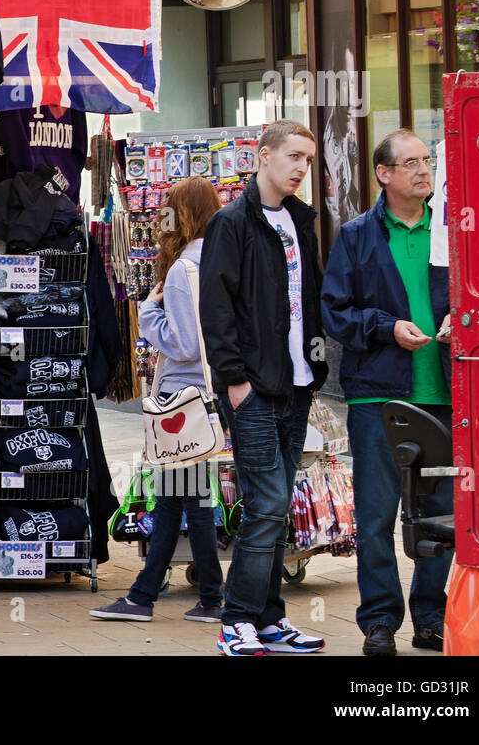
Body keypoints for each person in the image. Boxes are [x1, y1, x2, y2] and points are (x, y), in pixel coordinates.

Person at [199, 119, 329, 656]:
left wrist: (315, 371)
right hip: (251, 388)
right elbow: (216, 306)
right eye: (293, 156)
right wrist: (234, 381)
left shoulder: (301, 221)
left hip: (296, 385)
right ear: (264, 155)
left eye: (308, 159)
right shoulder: (231, 222)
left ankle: (270, 620)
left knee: (270, 507)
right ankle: (237, 620)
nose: (301, 168)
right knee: (270, 500)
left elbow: (310, 304)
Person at [320, 129, 452, 656]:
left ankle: (431, 619)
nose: (425, 170)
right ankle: (379, 623)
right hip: (377, 398)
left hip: (443, 396)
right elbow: (335, 312)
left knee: (439, 515)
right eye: (413, 162)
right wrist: (386, 327)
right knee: (376, 517)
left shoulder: (449, 231)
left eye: (429, 161)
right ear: (384, 174)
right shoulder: (356, 236)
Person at [89, 177, 225, 624]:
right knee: (177, 499)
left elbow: (184, 344)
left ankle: (189, 598)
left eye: (169, 207)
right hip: (203, 398)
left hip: (181, 402)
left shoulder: (186, 268)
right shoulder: (219, 260)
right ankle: (157, 596)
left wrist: (148, 312)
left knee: (188, 499)